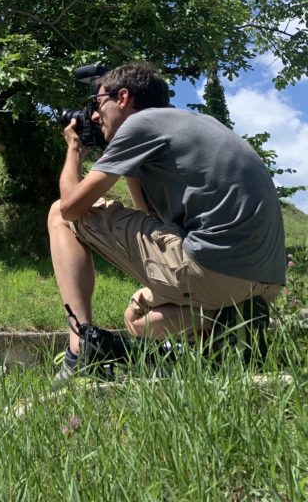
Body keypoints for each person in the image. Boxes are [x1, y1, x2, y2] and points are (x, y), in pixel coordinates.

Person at [48, 62, 286, 378]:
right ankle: (226, 330)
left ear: (123, 97)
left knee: (57, 215)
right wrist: (129, 164)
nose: (93, 116)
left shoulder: (140, 125)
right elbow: (151, 221)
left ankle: (79, 347)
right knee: (136, 319)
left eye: (98, 103)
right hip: (264, 280)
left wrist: (74, 150)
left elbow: (71, 208)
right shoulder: (194, 123)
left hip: (212, 267)